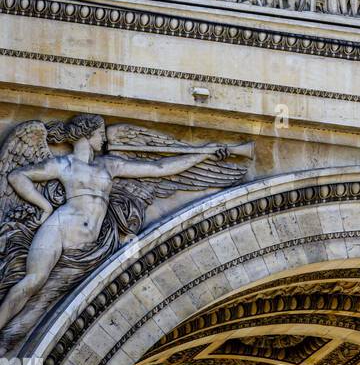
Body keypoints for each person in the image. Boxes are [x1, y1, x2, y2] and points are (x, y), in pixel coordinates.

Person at [0, 115, 232, 338]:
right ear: (86, 134)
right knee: (32, 282)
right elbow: (17, 176)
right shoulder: (64, 164)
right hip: (59, 228)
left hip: (91, 244)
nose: (104, 139)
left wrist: (203, 154)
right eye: (100, 134)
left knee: (42, 291)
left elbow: (160, 168)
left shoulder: (109, 165)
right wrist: (45, 207)